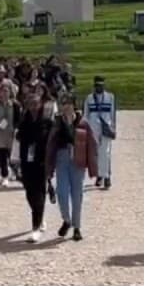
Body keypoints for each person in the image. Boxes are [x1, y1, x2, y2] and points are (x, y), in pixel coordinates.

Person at [45, 94, 97, 241]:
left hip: (78, 160)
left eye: (68, 103)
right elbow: (51, 145)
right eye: (63, 104)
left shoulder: (82, 121)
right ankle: (66, 219)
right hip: (62, 159)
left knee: (77, 194)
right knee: (61, 192)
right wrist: (49, 167)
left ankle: (77, 227)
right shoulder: (57, 122)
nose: (66, 106)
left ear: (74, 104)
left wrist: (93, 164)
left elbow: (92, 144)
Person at [16, 95, 52, 242]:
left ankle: (36, 227)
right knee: (29, 193)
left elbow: (51, 142)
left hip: (41, 162)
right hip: (27, 161)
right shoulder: (24, 121)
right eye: (30, 104)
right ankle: (40, 215)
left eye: (36, 104)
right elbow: (18, 137)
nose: (33, 107)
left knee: (39, 193)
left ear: (40, 105)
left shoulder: (47, 122)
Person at [83, 75, 117, 189]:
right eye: (97, 86)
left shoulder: (110, 97)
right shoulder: (89, 98)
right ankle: (99, 175)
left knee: (105, 153)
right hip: (93, 128)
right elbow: (85, 115)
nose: (99, 88)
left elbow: (113, 114)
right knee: (96, 153)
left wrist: (113, 127)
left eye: (101, 86)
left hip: (106, 127)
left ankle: (107, 177)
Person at [0, 85, 20, 187]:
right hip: (0, 134)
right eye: (2, 91)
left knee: (12, 156)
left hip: (12, 134)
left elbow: (18, 119)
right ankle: (4, 176)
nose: (4, 93)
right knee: (2, 155)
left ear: (10, 93)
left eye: (6, 91)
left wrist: (17, 129)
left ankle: (14, 172)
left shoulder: (15, 105)